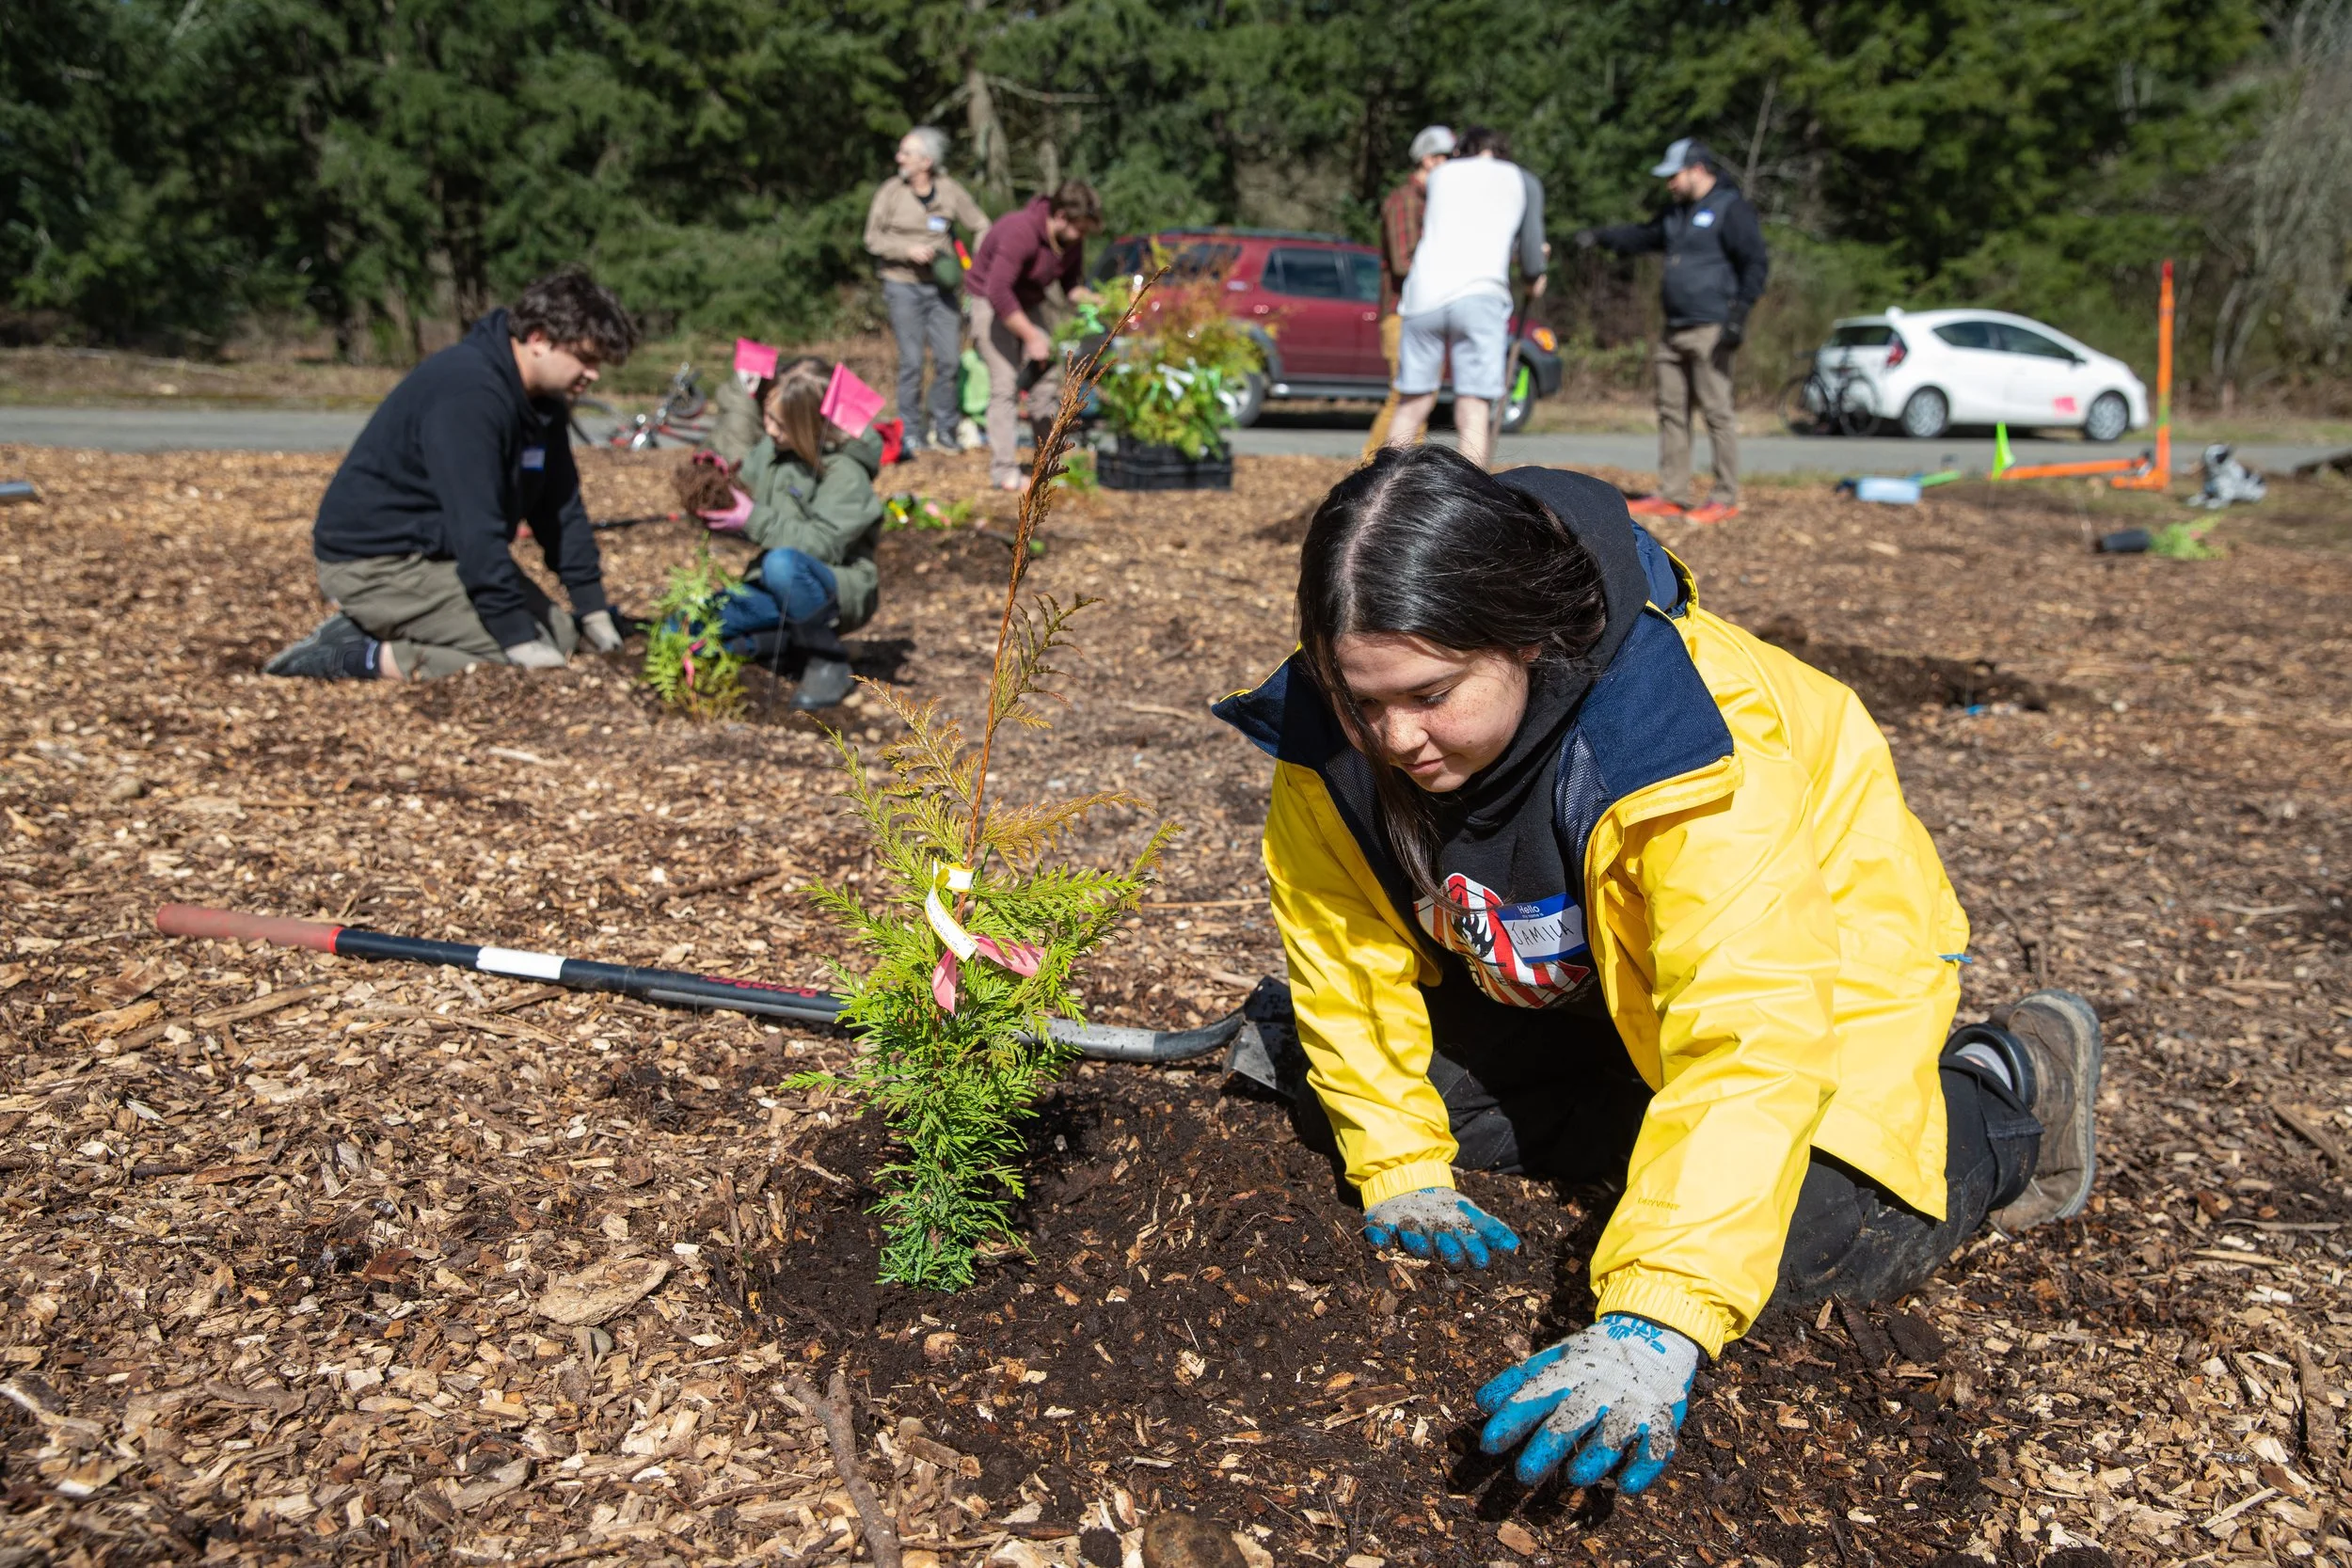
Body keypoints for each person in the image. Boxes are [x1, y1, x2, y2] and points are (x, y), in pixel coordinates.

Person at [1212, 446, 2101, 1497]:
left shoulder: (1680, 734)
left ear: (1526, 638)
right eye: (1360, 700)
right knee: (1363, 1099)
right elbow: (1345, 964)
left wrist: (1658, 1310)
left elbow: (1753, 1026)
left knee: (1798, 1247)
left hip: (1816, 965)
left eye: (1431, 695)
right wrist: (1402, 1164)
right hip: (1597, 979)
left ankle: (2004, 1092)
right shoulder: (1335, 737)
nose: (1393, 737)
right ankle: (1668, 1144)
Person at [266, 270, 638, 682]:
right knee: (515, 664)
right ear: (538, 339)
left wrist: (593, 609)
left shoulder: (543, 404)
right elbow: (475, 526)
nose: (594, 374)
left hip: (442, 554)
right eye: (585, 359)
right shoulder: (469, 396)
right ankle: (357, 654)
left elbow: (561, 510)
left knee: (564, 638)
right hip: (379, 564)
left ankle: (394, 629)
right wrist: (515, 640)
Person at [1575, 137, 1770, 524]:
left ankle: (1724, 495)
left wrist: (1739, 316)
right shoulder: (1676, 215)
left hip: (1712, 328)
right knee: (1671, 412)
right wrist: (1600, 237)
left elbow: (1756, 263)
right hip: (1674, 328)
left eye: (1674, 175)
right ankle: (1673, 493)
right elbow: (1642, 236)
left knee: (1716, 412)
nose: (1669, 184)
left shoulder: (1730, 209)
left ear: (1697, 168)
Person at [695, 357, 883, 710]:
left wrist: (752, 519)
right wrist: (718, 493)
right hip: (773, 584)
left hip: (836, 586)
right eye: (766, 415)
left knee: (782, 564)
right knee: (691, 627)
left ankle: (827, 659)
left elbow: (822, 545)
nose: (768, 429)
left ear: (811, 424)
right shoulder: (773, 450)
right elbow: (744, 491)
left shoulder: (846, 472)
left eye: (780, 423)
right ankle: (776, 644)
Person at [1383, 126, 1548, 471]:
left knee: (1413, 402)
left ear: (1462, 151)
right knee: (1472, 406)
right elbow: (1532, 251)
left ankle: (1383, 486)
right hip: (1480, 295)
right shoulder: (1523, 180)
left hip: (1423, 295)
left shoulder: (1439, 176)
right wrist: (1535, 276)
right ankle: (1470, 494)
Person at [965, 181, 1103, 490]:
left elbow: (1071, 287)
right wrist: (1031, 338)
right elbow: (998, 291)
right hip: (990, 302)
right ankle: (1004, 472)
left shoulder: (1070, 241)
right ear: (1062, 216)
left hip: (1028, 303)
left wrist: (1098, 301)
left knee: (1048, 383)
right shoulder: (1020, 232)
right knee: (1005, 384)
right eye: (1080, 229)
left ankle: (1049, 462)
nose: (1082, 237)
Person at [865, 127, 992, 457]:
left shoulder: (949, 191)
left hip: (942, 289)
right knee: (911, 361)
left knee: (949, 360)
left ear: (926, 161)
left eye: (906, 153)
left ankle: (945, 428)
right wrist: (906, 250)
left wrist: (977, 264)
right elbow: (872, 239)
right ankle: (909, 431)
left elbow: (981, 224)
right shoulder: (891, 192)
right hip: (902, 285)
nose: (899, 158)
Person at [1361, 124, 1455, 459]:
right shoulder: (1404, 200)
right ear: (1428, 160)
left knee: (1421, 397)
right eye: (1447, 157)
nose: (1453, 166)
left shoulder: (1437, 202)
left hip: (1425, 311)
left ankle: (1400, 475)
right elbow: (1403, 262)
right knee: (1404, 396)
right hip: (1401, 311)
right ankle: (1372, 471)